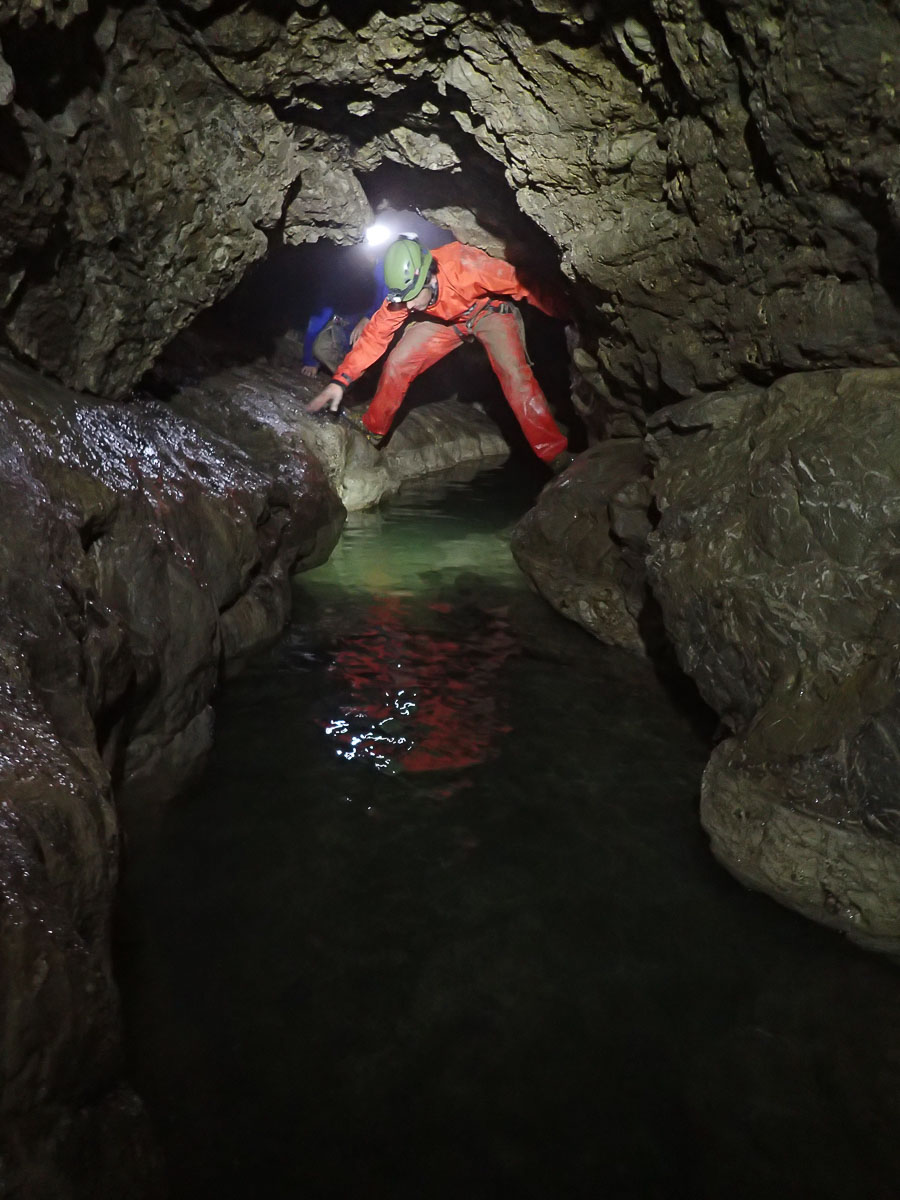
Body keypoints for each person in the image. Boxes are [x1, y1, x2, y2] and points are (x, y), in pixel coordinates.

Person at [304, 235, 574, 471]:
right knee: (398, 363)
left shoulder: (467, 266)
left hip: (488, 312)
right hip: (443, 322)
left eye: (411, 296)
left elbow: (526, 286)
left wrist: (570, 312)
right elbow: (374, 339)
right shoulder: (403, 299)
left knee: (515, 376)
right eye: (401, 298)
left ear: (429, 276)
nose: (406, 305)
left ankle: (554, 454)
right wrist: (340, 381)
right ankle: (374, 429)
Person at [299, 259, 390, 378]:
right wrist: (310, 361)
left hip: (375, 324)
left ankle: (365, 377)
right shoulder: (338, 279)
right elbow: (317, 320)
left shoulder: (383, 269)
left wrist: (368, 318)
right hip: (344, 326)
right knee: (321, 347)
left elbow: (387, 304)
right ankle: (348, 378)